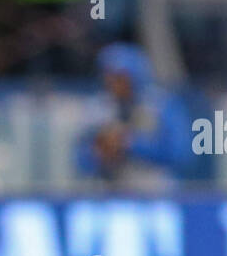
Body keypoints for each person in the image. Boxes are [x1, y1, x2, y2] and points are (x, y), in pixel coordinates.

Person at [77, 42, 189, 189]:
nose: (112, 82)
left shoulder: (161, 105)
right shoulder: (98, 108)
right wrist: (100, 151)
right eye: (108, 75)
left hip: (155, 196)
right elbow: (81, 159)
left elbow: (180, 153)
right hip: (111, 196)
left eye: (119, 77)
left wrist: (130, 143)